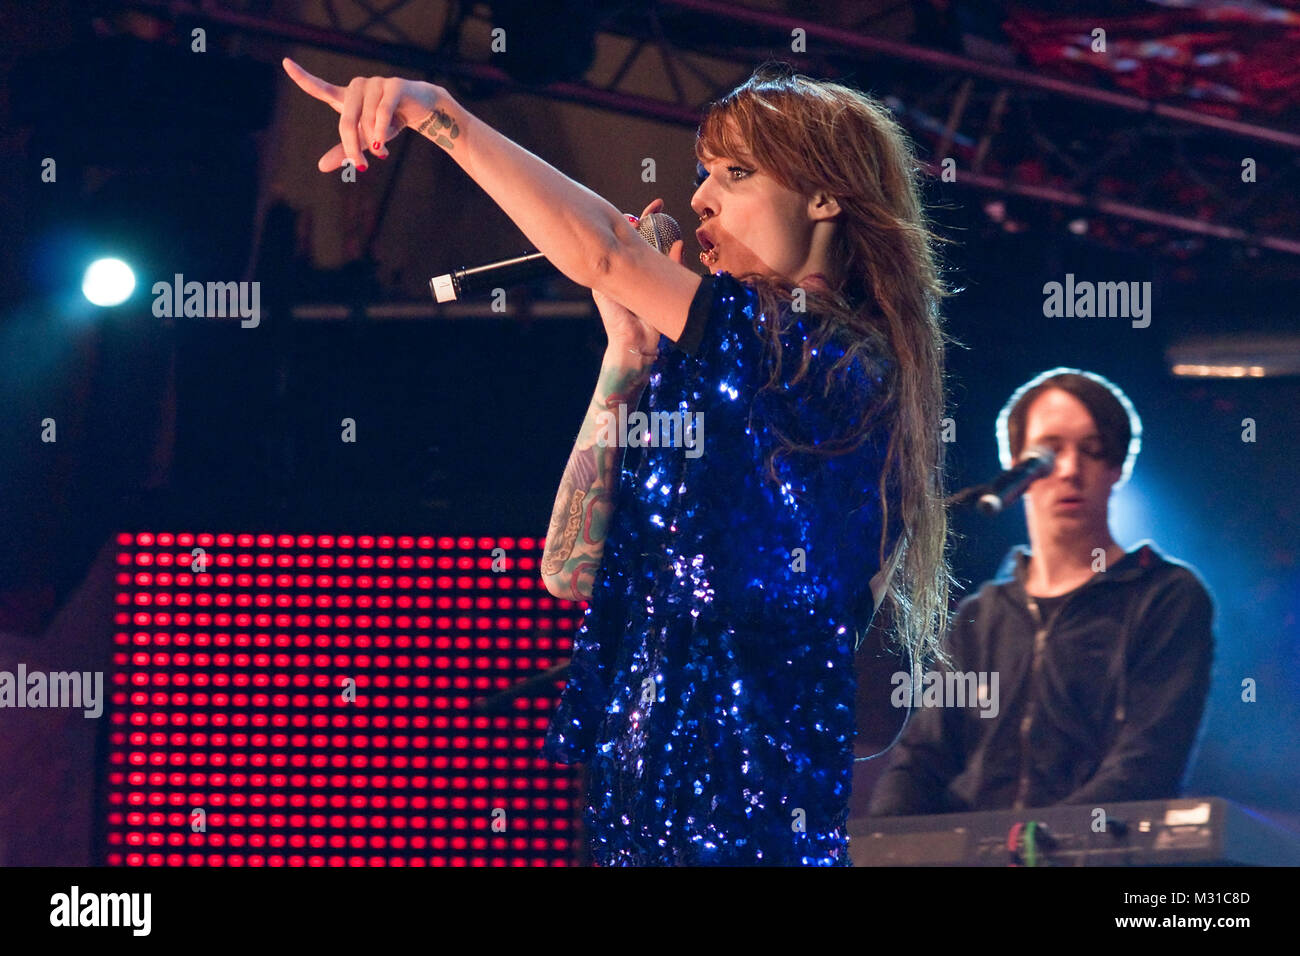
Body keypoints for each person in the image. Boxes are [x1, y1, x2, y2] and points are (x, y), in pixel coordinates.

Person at [284, 58, 951, 865]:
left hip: (745, 834)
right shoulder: (720, 372)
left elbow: (602, 249)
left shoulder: (833, 360)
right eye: (703, 174)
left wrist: (435, 112)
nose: (701, 198)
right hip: (638, 824)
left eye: (736, 174)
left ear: (824, 197)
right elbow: (570, 569)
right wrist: (626, 358)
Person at [869, 368, 1215, 816]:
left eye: (1091, 451)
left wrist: (1031, 846)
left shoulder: (1166, 597)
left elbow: (1145, 764)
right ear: (1017, 467)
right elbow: (921, 759)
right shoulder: (983, 615)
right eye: (1049, 452)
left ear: (1117, 467)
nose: (1070, 470)